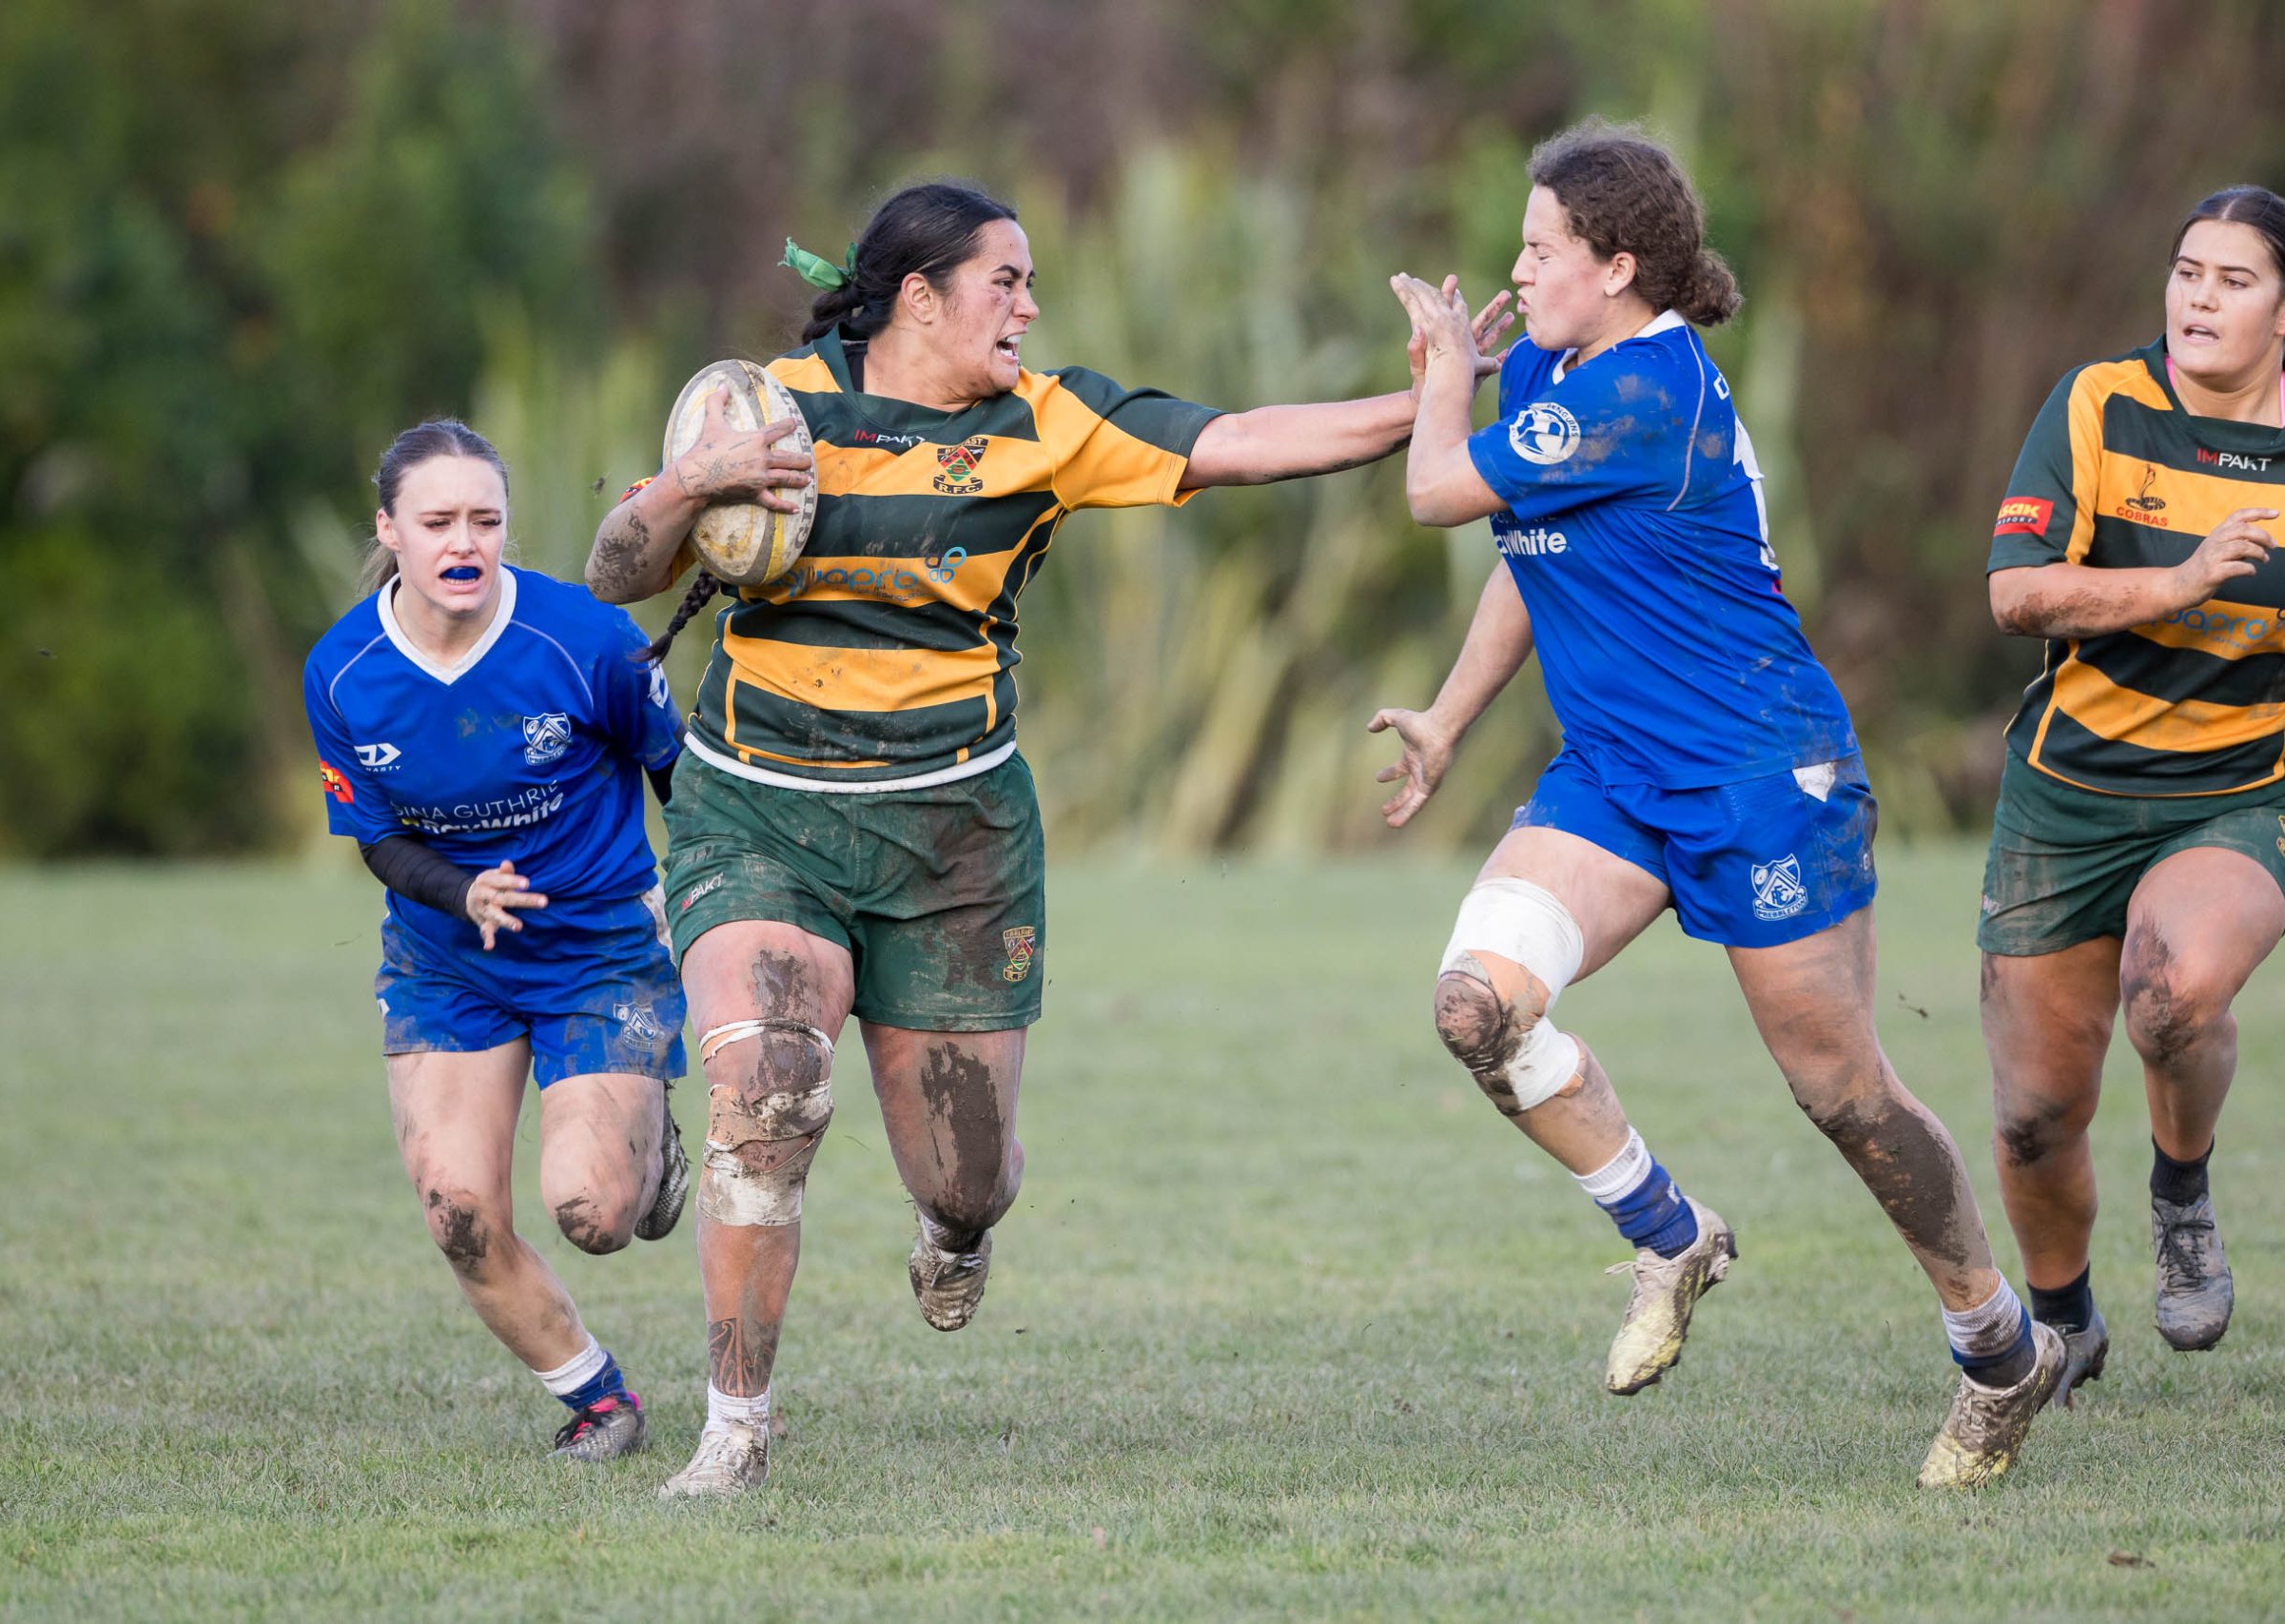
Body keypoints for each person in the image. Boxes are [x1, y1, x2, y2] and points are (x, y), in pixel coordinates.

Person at [586, 181, 1441, 1497]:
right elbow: (616, 566)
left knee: (969, 1172)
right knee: (767, 1093)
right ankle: (734, 1429)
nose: (1031, 306)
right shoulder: (764, 404)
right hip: (761, 811)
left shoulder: (1049, 423)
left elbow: (1245, 437)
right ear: (919, 295)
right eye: (1009, 280)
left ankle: (955, 1221)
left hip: (957, 840)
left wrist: (1434, 399)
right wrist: (696, 480)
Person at [1377, 123, 2070, 1490]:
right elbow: (1531, 549)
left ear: (1619, 266)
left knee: (1843, 1093)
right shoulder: (1568, 373)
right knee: (1478, 1006)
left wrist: (1443, 381)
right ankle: (1669, 1231)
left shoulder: (1641, 393)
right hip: (1619, 777)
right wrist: (1450, 720)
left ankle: (1999, 1347)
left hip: (1765, 775)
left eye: (1540, 248)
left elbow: (1435, 491)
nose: (1517, 267)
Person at [303, 420, 693, 1464]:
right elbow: (378, 841)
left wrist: (704, 906)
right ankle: (600, 1402)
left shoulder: (587, 640)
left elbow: (680, 777)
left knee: (590, 1210)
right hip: (445, 963)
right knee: (458, 1211)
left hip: (600, 950)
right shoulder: (342, 673)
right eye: (437, 521)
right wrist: (463, 891)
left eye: (485, 518)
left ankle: (648, 1156)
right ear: (391, 530)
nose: (463, 541)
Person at [1980, 186, 2285, 1384]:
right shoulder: (2100, 403)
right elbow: (2013, 594)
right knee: (2032, 1115)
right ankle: (2063, 1320)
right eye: (2187, 271)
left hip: (2236, 792)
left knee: (2171, 993)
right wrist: (2177, 582)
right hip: (2067, 795)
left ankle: (2183, 1190)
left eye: (2234, 279)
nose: (2200, 297)